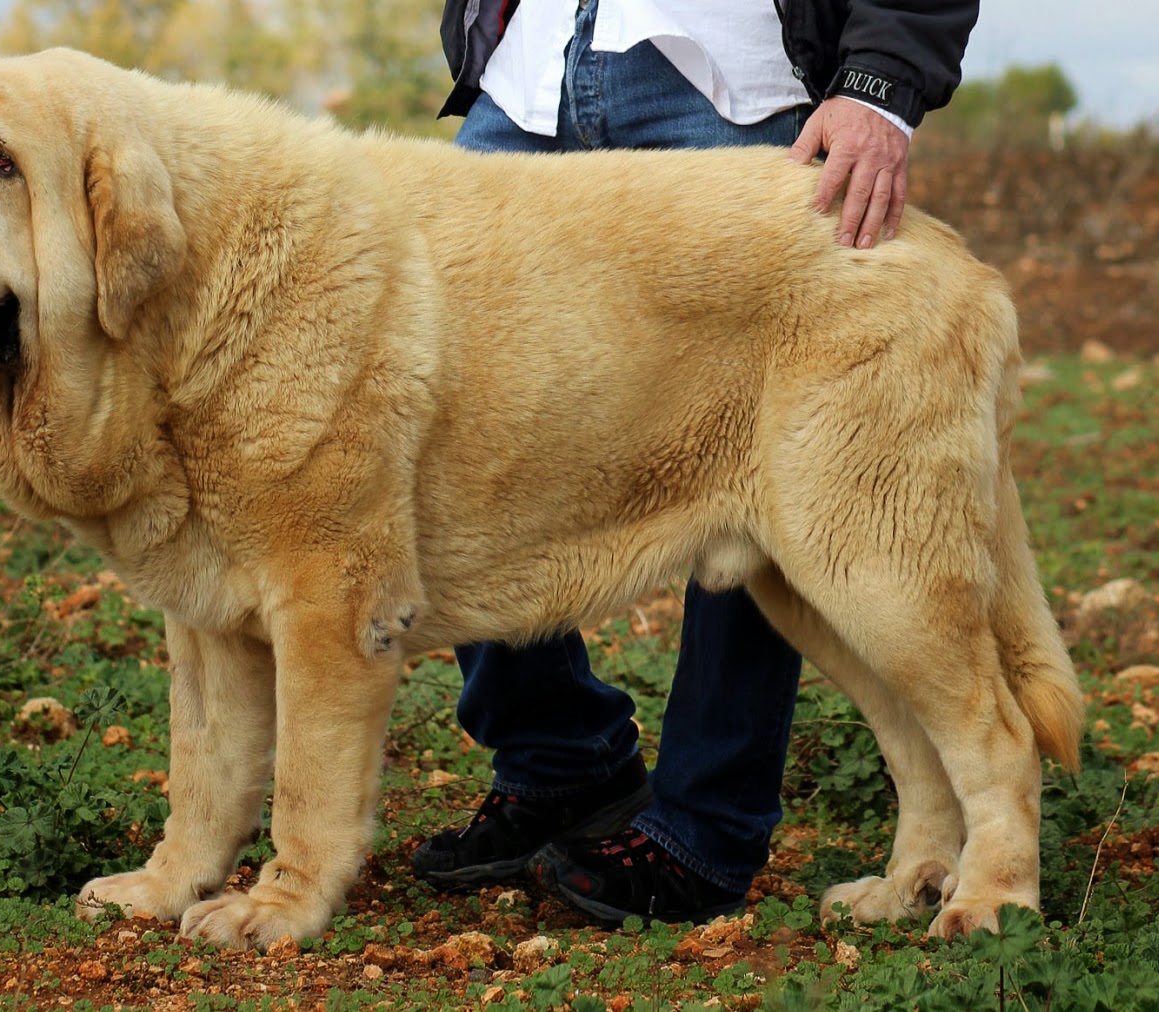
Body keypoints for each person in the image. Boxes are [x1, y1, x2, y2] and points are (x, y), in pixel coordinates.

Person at [411, 0, 980, 925]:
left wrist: (880, 84)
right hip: (529, 70)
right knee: (450, 425)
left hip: (730, 72)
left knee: (757, 460)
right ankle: (561, 757)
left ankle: (704, 827)